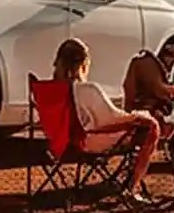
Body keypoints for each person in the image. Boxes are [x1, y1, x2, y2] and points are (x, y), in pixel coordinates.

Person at [53, 38, 159, 204]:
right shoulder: (87, 90)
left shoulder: (54, 91)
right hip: (92, 140)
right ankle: (132, 186)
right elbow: (111, 118)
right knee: (149, 127)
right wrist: (138, 116)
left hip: (66, 141)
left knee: (141, 125)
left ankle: (128, 181)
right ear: (83, 63)